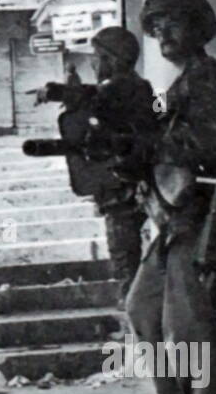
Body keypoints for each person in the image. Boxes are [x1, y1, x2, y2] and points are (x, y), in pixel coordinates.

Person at [126, 0, 216, 394]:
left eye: (172, 23)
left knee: (191, 329)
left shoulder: (211, 79)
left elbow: (212, 144)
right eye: (155, 28)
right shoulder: (180, 84)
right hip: (174, 218)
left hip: (204, 218)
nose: (162, 35)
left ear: (199, 27)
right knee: (141, 307)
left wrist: (153, 142)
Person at [34, 28, 155, 305]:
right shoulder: (140, 86)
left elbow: (94, 97)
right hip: (135, 183)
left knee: (125, 262)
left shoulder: (119, 88)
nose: (94, 64)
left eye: (98, 57)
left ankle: (137, 325)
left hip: (122, 187)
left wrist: (57, 91)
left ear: (113, 59)